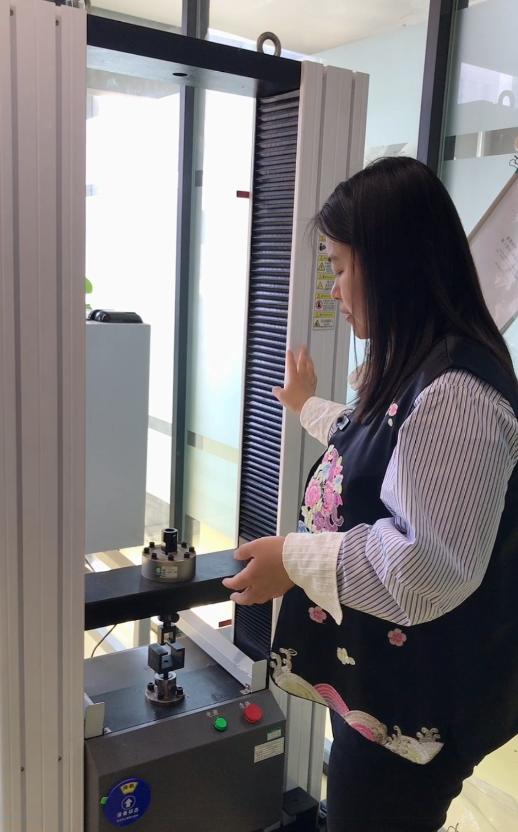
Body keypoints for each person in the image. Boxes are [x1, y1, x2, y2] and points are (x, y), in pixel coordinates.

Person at [223, 156, 518, 832]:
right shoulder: (419, 368)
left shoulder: (457, 395)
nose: (334, 288)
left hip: (418, 712)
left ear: (389, 265)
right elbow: (377, 443)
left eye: (339, 265)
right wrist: (306, 405)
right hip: (385, 688)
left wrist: (293, 559)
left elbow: (426, 567)